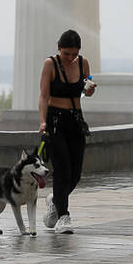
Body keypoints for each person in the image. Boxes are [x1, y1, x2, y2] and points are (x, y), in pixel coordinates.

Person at [39, 29, 96, 234]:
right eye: (66, 53)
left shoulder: (83, 63)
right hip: (55, 120)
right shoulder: (50, 65)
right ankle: (64, 217)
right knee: (62, 170)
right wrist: (43, 122)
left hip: (76, 120)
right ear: (59, 48)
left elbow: (85, 88)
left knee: (75, 174)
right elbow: (44, 96)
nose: (70, 58)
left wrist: (88, 90)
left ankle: (55, 199)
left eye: (74, 54)